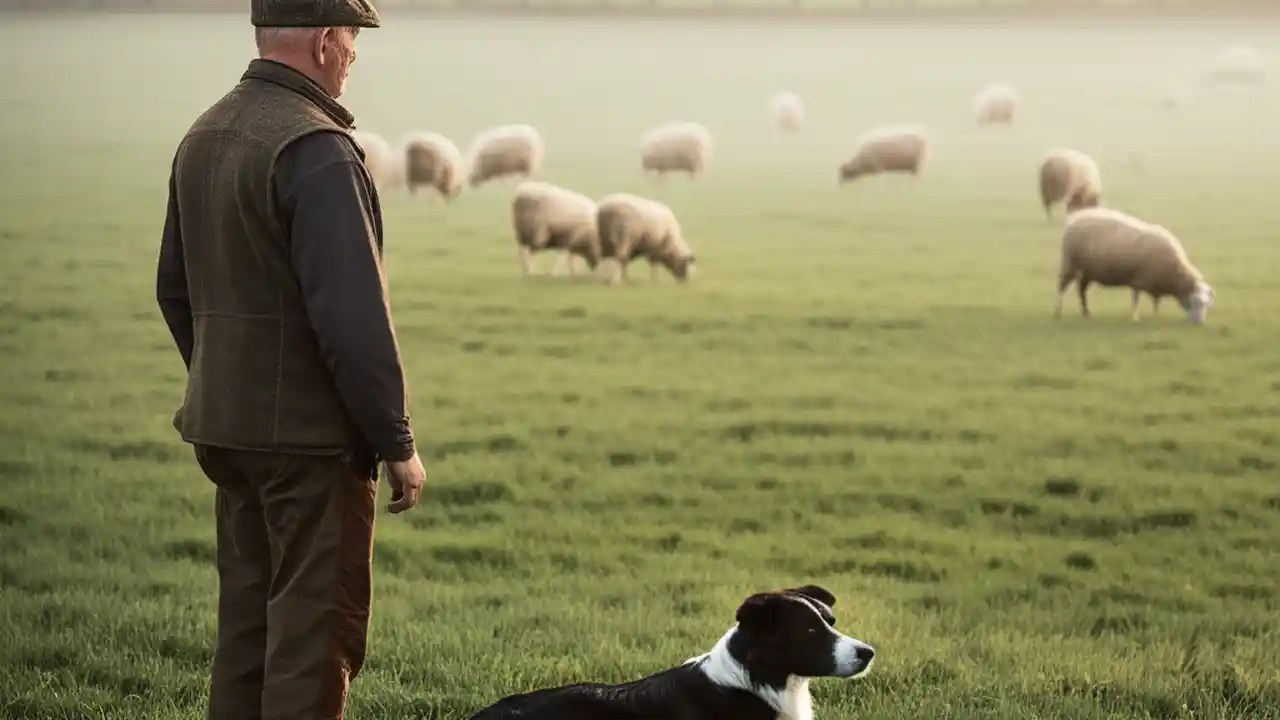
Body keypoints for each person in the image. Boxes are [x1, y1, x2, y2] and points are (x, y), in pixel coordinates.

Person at [155, 1, 425, 718]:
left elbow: (174, 290)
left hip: (227, 432)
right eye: (352, 40)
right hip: (307, 448)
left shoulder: (205, 133)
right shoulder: (317, 149)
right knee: (311, 644)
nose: (355, 55)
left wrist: (226, 382)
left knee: (248, 633)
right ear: (324, 40)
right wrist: (396, 441)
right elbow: (353, 319)